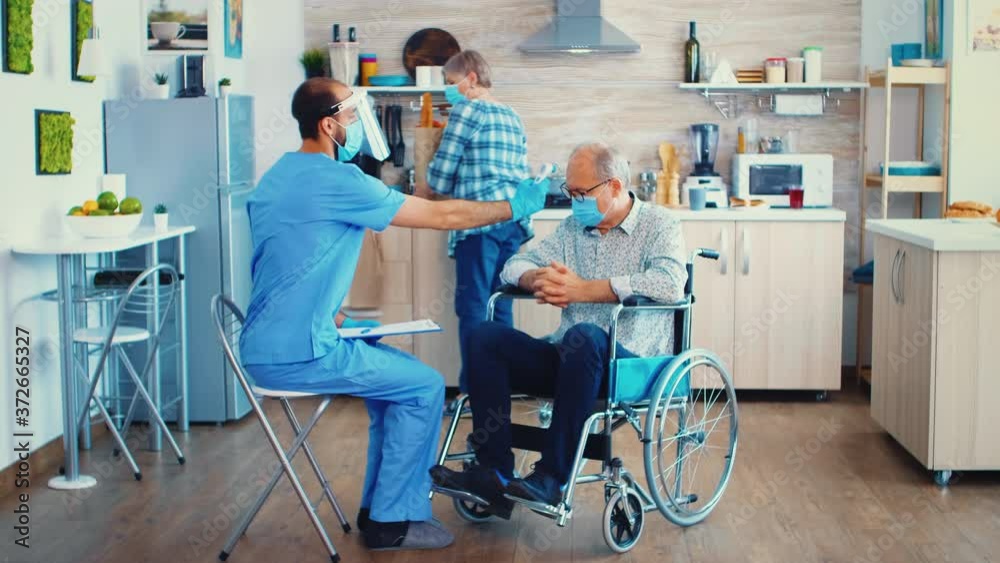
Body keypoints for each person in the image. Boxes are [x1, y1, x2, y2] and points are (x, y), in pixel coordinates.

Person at [239, 78, 548, 551]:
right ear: (328, 124)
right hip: (299, 353)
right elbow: (443, 217)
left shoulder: (279, 174)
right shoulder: (339, 181)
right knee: (423, 386)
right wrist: (514, 205)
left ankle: (379, 509)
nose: (357, 125)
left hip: (265, 342)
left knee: (397, 384)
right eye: (350, 117)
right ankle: (393, 521)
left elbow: (282, 258)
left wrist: (329, 313)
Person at [430, 142, 687, 516]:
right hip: (572, 360)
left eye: (582, 193)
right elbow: (513, 264)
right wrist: (537, 278)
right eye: (570, 192)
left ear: (614, 187)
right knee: (483, 336)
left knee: (583, 335)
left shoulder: (660, 224)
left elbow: (669, 284)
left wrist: (586, 290)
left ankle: (551, 477)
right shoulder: (573, 229)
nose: (574, 202)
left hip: (629, 365)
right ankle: (493, 472)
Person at [418, 50, 531, 410]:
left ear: (469, 77)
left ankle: (475, 394)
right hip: (512, 221)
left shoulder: (468, 110)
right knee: (499, 306)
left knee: (472, 306)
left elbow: (441, 173)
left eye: (451, 83)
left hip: (479, 222)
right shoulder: (513, 114)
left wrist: (426, 184)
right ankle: (503, 389)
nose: (449, 91)